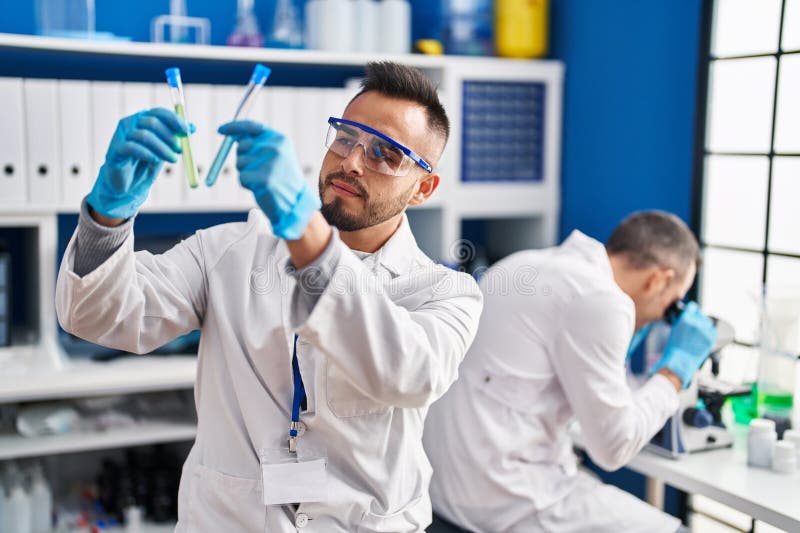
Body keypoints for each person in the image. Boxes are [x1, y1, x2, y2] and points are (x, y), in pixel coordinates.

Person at [55, 61, 482, 532]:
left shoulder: (447, 293)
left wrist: (304, 230)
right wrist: (107, 217)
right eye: (346, 138)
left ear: (423, 187)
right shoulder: (229, 252)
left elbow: (407, 372)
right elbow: (98, 317)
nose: (352, 162)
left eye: (385, 154)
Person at [424, 211, 717, 533]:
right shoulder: (601, 299)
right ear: (657, 280)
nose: (664, 317)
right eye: (672, 304)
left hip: (443, 490)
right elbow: (614, 448)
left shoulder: (524, 263)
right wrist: (676, 371)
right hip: (506, 502)